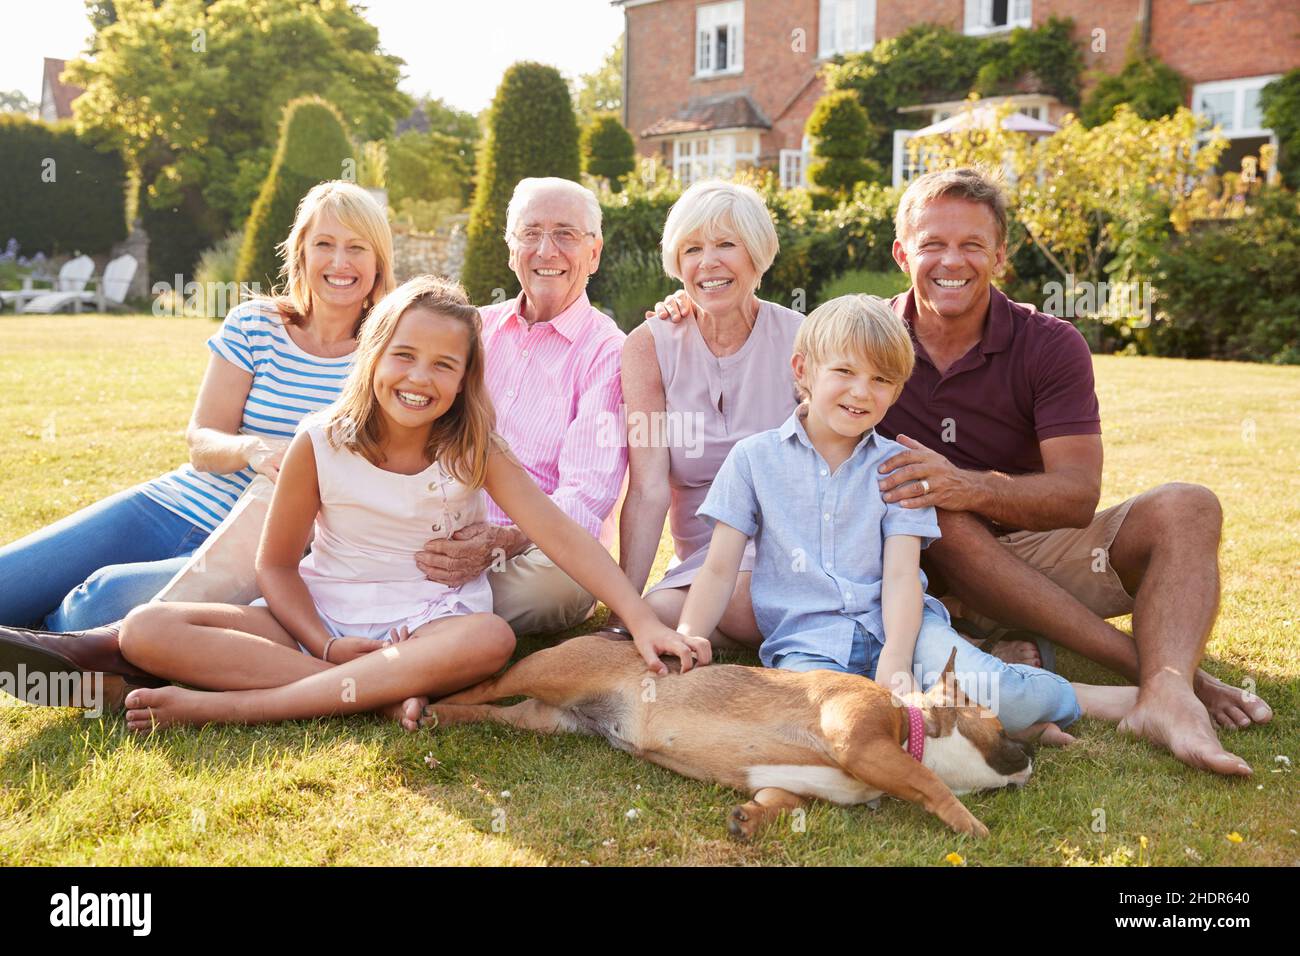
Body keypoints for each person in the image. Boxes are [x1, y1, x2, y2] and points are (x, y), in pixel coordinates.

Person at [117, 276, 712, 732]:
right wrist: (326, 644)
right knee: (146, 630)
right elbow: (275, 566)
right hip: (323, 618)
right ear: (373, 353)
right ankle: (368, 692)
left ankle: (234, 708)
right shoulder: (317, 442)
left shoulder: (475, 449)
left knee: (490, 640)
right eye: (404, 355)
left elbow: (561, 535)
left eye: (444, 365)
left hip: (429, 626)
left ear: (465, 380)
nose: (419, 378)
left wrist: (639, 620)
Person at [873, 166, 1271, 774]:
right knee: (935, 512)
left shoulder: (1050, 343)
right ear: (903, 254)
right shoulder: (867, 336)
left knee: (1189, 504)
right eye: (933, 244)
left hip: (1039, 552)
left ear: (999, 256)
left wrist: (966, 484)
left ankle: (1164, 688)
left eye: (972, 244)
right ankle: (1166, 681)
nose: (952, 261)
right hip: (918, 568)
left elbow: (1077, 495)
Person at [675, 294, 1136, 738]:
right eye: (844, 371)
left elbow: (900, 575)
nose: (861, 391)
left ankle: (1074, 698)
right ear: (803, 370)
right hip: (807, 645)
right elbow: (719, 569)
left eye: (881, 380)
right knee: (832, 727)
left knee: (997, 694)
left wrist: (896, 659)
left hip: (905, 632)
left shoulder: (898, 468)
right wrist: (690, 636)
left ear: (897, 390)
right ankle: (993, 726)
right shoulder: (753, 460)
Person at [0, 180, 395, 634]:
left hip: (258, 545)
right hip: (176, 503)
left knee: (93, 605)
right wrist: (252, 449)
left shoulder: (387, 356)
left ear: (378, 261)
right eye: (324, 244)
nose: (339, 262)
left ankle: (42, 643)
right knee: (9, 580)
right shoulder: (254, 324)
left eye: (356, 247)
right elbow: (201, 440)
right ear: (301, 252)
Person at [414, 178, 628, 637]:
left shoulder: (608, 351)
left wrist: (508, 538)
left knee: (561, 586)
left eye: (565, 234)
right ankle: (436, 611)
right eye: (531, 233)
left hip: (537, 548)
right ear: (511, 250)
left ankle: (416, 613)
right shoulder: (473, 329)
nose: (546, 251)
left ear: (594, 253)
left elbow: (586, 493)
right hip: (437, 522)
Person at [616, 180, 802, 649]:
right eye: (693, 249)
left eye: (726, 245)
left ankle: (730, 622)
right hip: (702, 560)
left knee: (744, 598)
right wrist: (625, 608)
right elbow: (648, 489)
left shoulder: (802, 338)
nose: (708, 262)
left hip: (785, 548)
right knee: (654, 612)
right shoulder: (648, 346)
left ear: (757, 252)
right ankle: (741, 625)